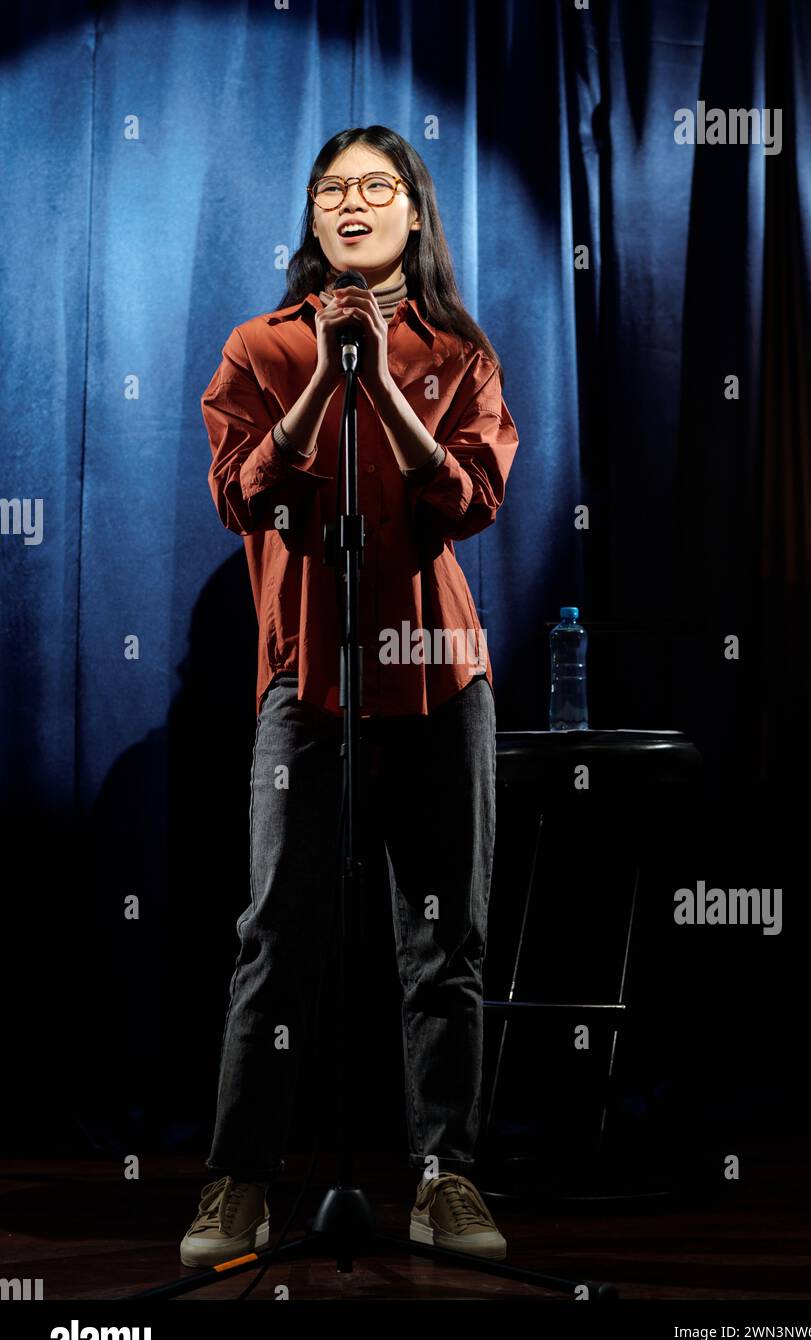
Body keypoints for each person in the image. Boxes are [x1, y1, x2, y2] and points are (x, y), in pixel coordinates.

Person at [180, 125, 518, 1268]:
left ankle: (444, 1176)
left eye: (379, 189)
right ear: (312, 218)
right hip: (305, 680)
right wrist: (330, 373)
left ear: (414, 216)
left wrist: (390, 383)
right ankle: (239, 1182)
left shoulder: (457, 347)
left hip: (436, 673)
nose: (355, 205)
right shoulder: (257, 346)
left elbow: (470, 501)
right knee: (274, 932)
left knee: (445, 939)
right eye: (333, 191)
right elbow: (241, 496)